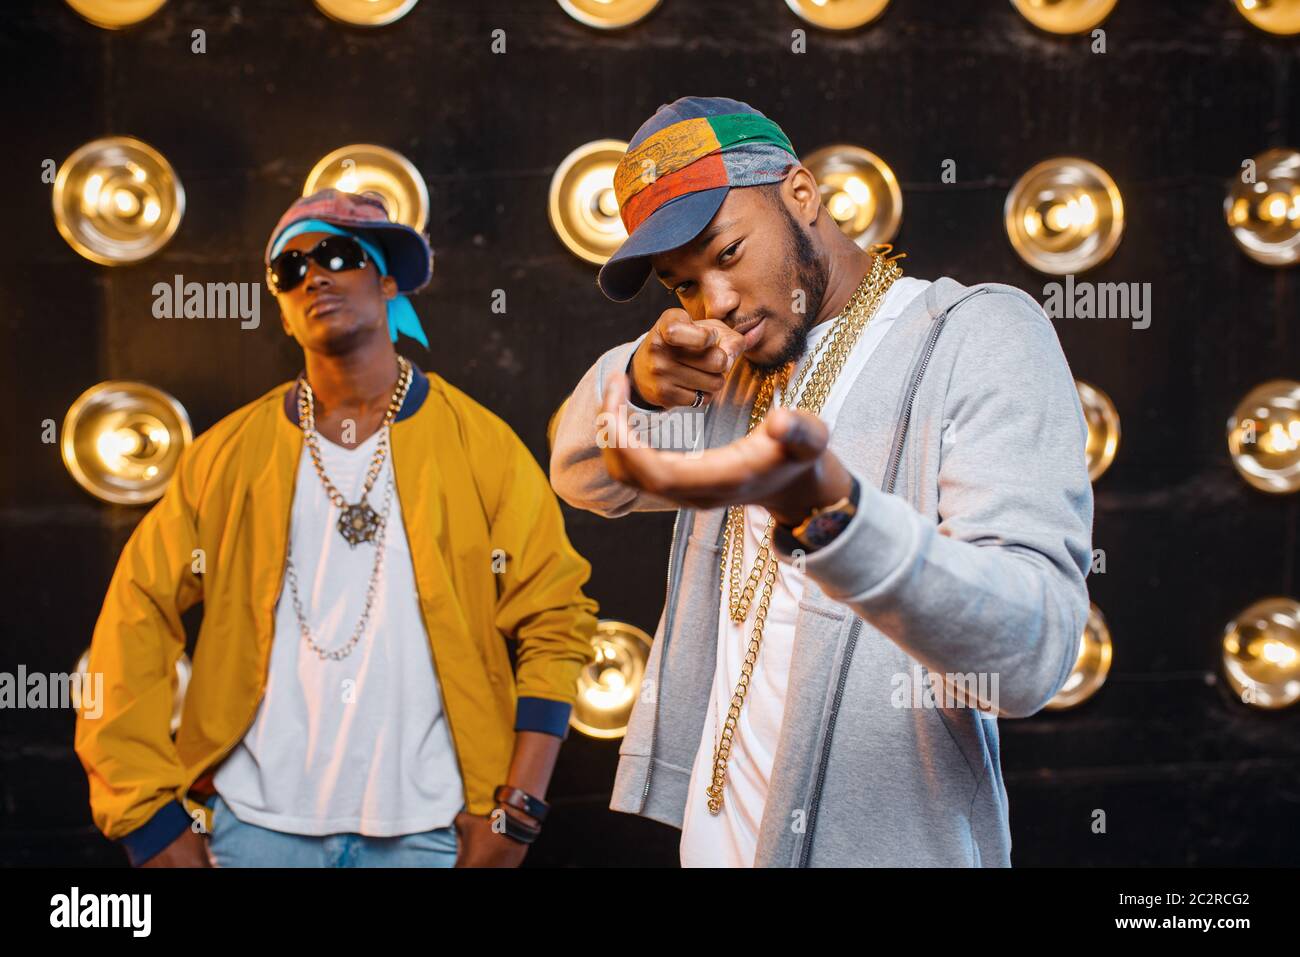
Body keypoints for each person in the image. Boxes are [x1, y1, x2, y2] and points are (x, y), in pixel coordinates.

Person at [550, 96, 1094, 867]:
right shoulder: (733, 372)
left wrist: (839, 523)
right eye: (682, 285)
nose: (716, 302)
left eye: (728, 251)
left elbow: (1031, 651)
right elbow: (579, 472)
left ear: (802, 195)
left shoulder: (976, 336)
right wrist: (638, 379)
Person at [76, 189, 598, 868]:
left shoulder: (479, 445)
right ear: (284, 310)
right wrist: (146, 817)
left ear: (387, 280)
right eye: (287, 270)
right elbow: (133, 617)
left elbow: (555, 615)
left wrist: (518, 810)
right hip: (251, 829)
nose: (312, 275)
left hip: (433, 827)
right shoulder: (227, 456)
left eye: (337, 254)